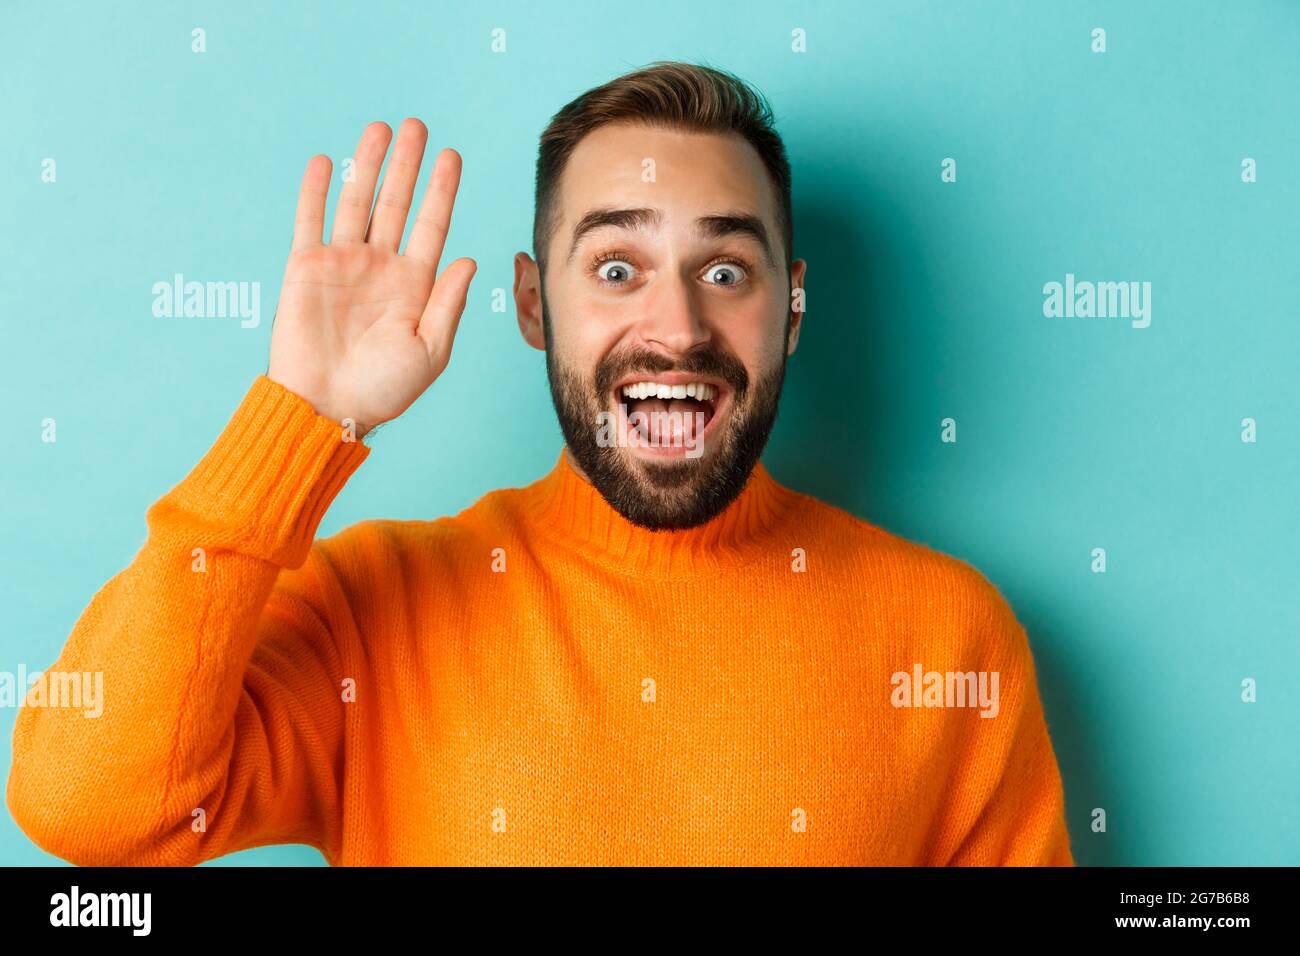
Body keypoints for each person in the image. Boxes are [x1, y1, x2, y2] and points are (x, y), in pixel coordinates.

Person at [7, 61, 1074, 866]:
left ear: (790, 307)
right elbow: (87, 802)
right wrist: (299, 416)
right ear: (531, 304)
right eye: (617, 266)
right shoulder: (376, 611)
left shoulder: (949, 634)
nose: (677, 326)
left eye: (724, 268)